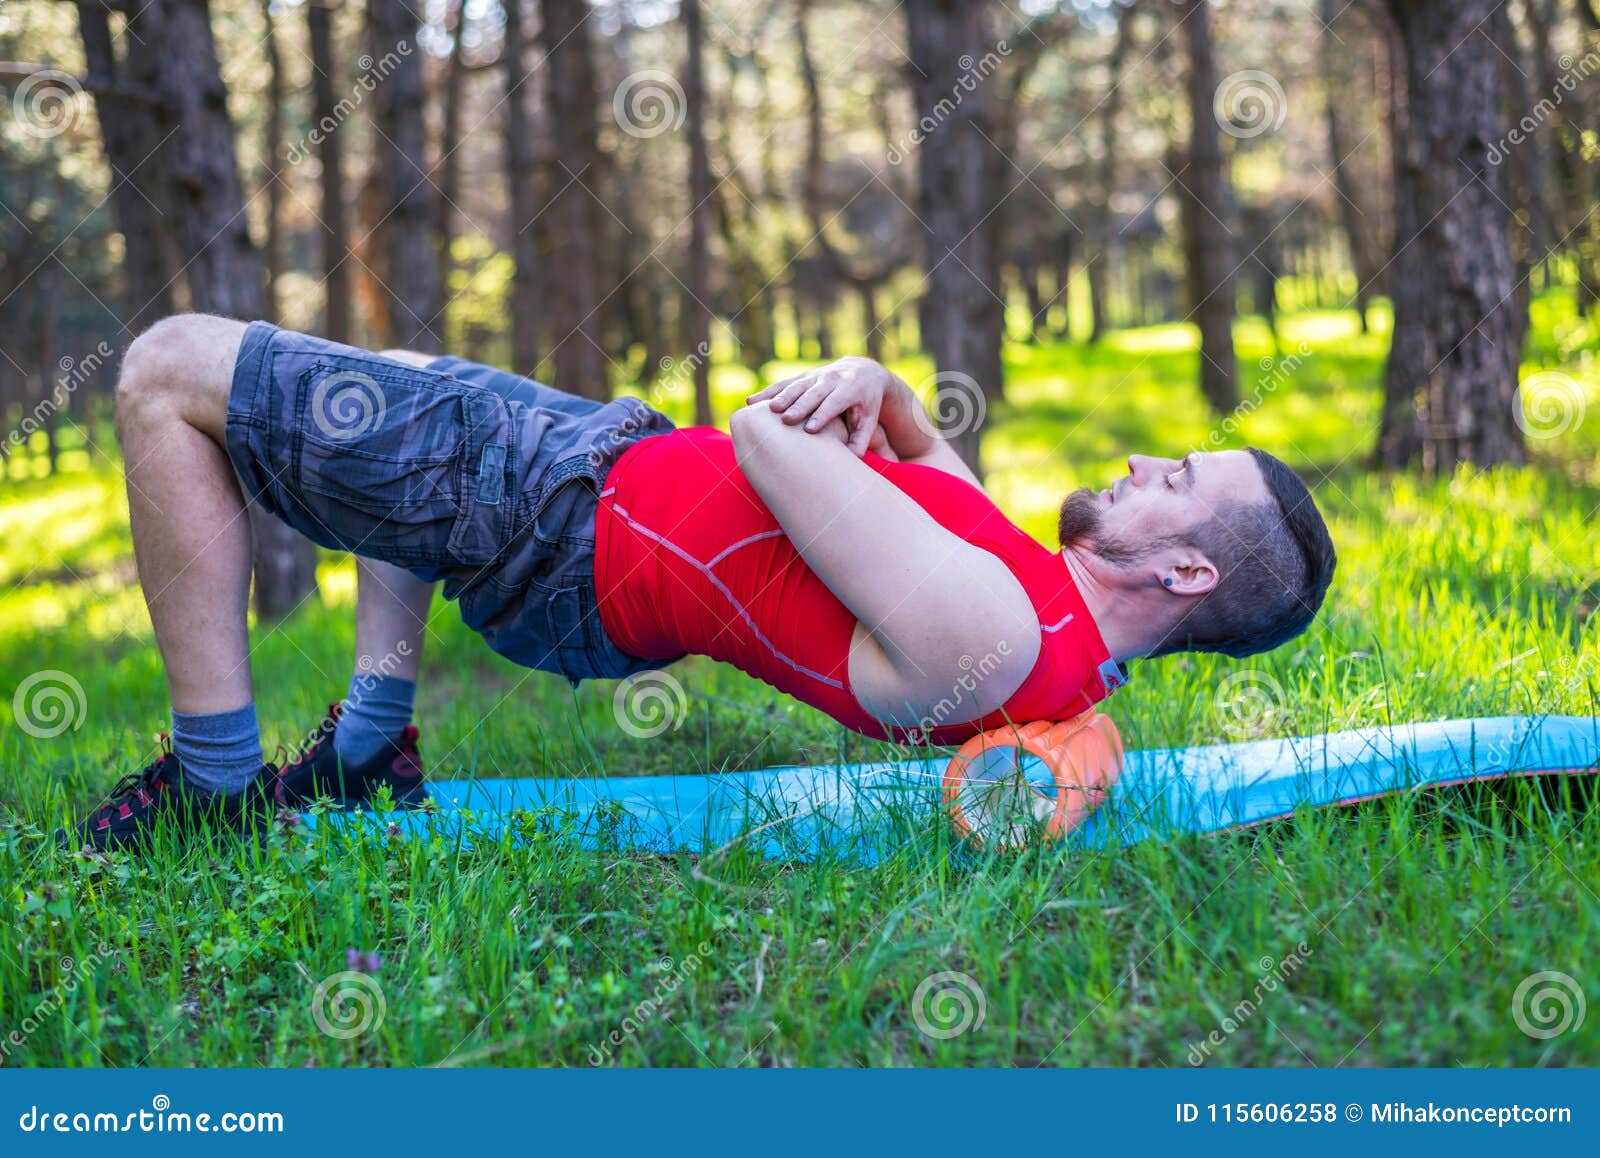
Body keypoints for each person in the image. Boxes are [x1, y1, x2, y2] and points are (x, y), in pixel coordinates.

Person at [74, 316, 1336, 849]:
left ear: (1188, 569)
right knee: (393, 369)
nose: (1142, 463)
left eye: (1175, 478)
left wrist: (823, 403)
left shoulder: (998, 639)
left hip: (555, 528)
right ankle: (366, 748)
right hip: (592, 474)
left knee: (167, 369)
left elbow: (764, 437)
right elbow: (921, 457)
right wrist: (875, 382)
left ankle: (213, 784)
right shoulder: (1040, 617)